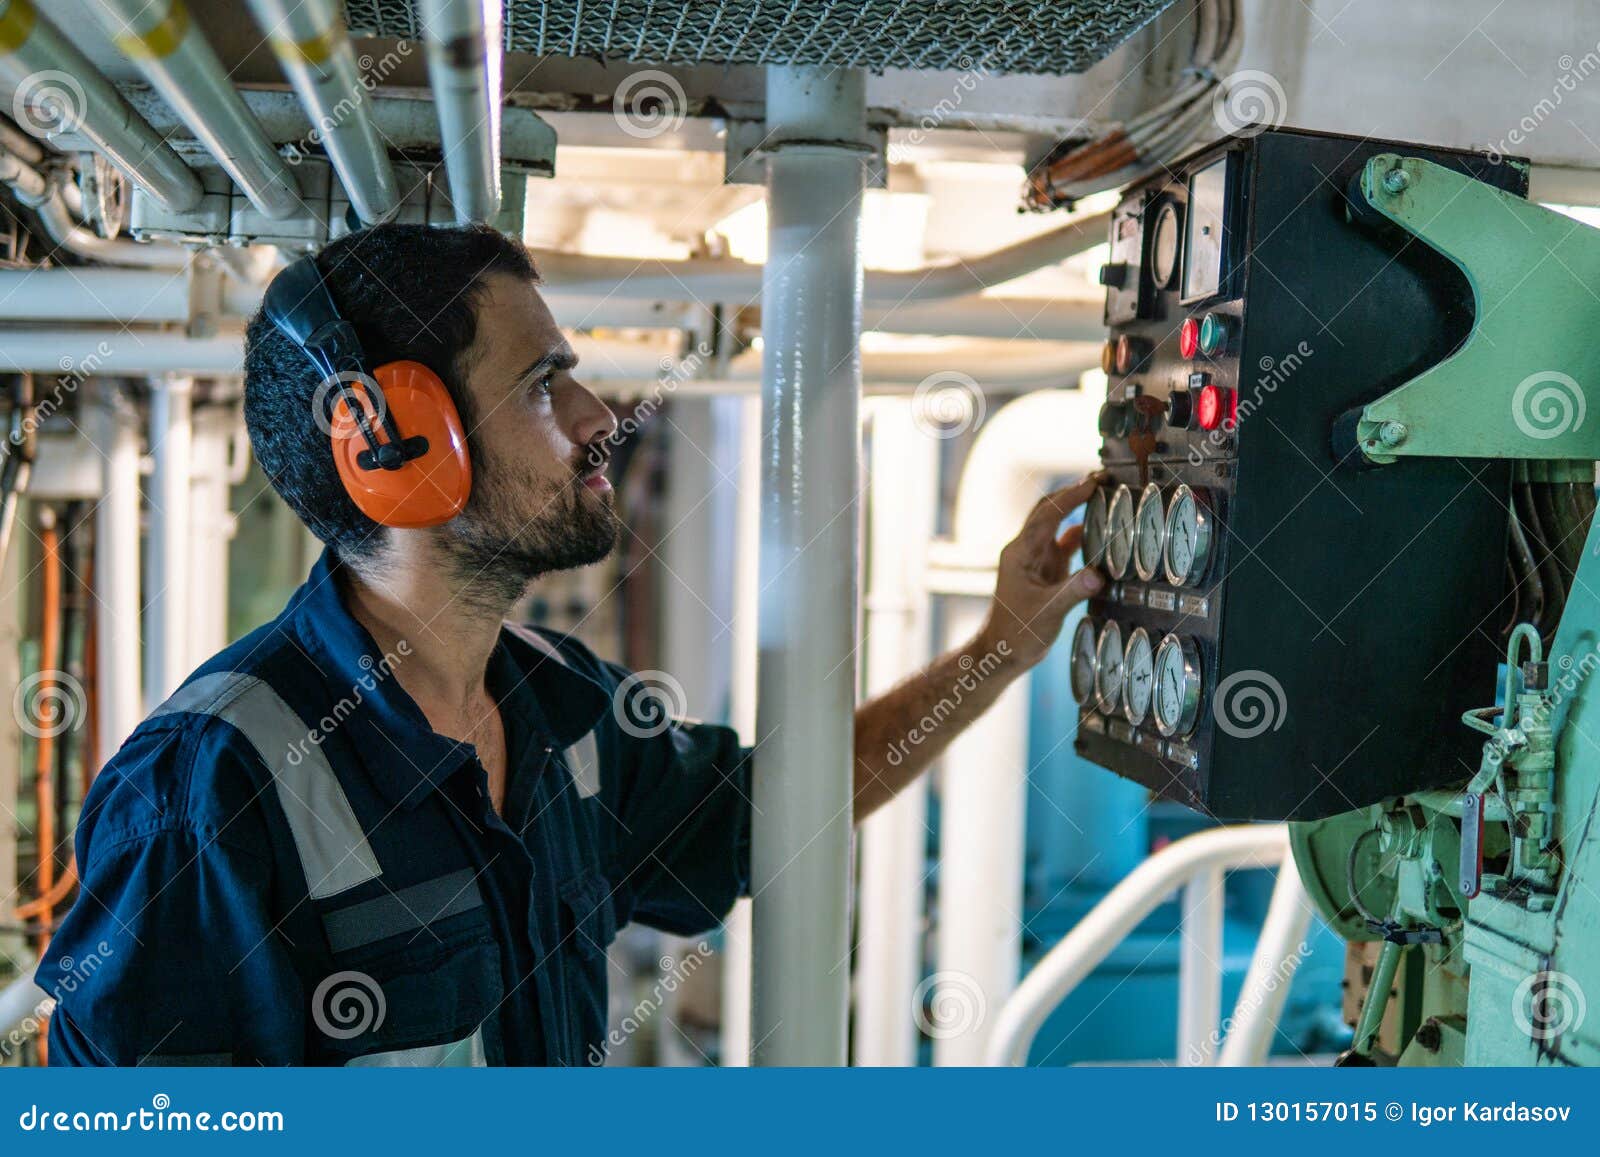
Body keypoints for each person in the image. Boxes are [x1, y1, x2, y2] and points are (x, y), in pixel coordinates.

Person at [40, 223, 1103, 1065]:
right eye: (544, 383)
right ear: (397, 446)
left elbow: (777, 811)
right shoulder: (209, 785)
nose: (599, 414)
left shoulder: (564, 705)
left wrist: (998, 647)